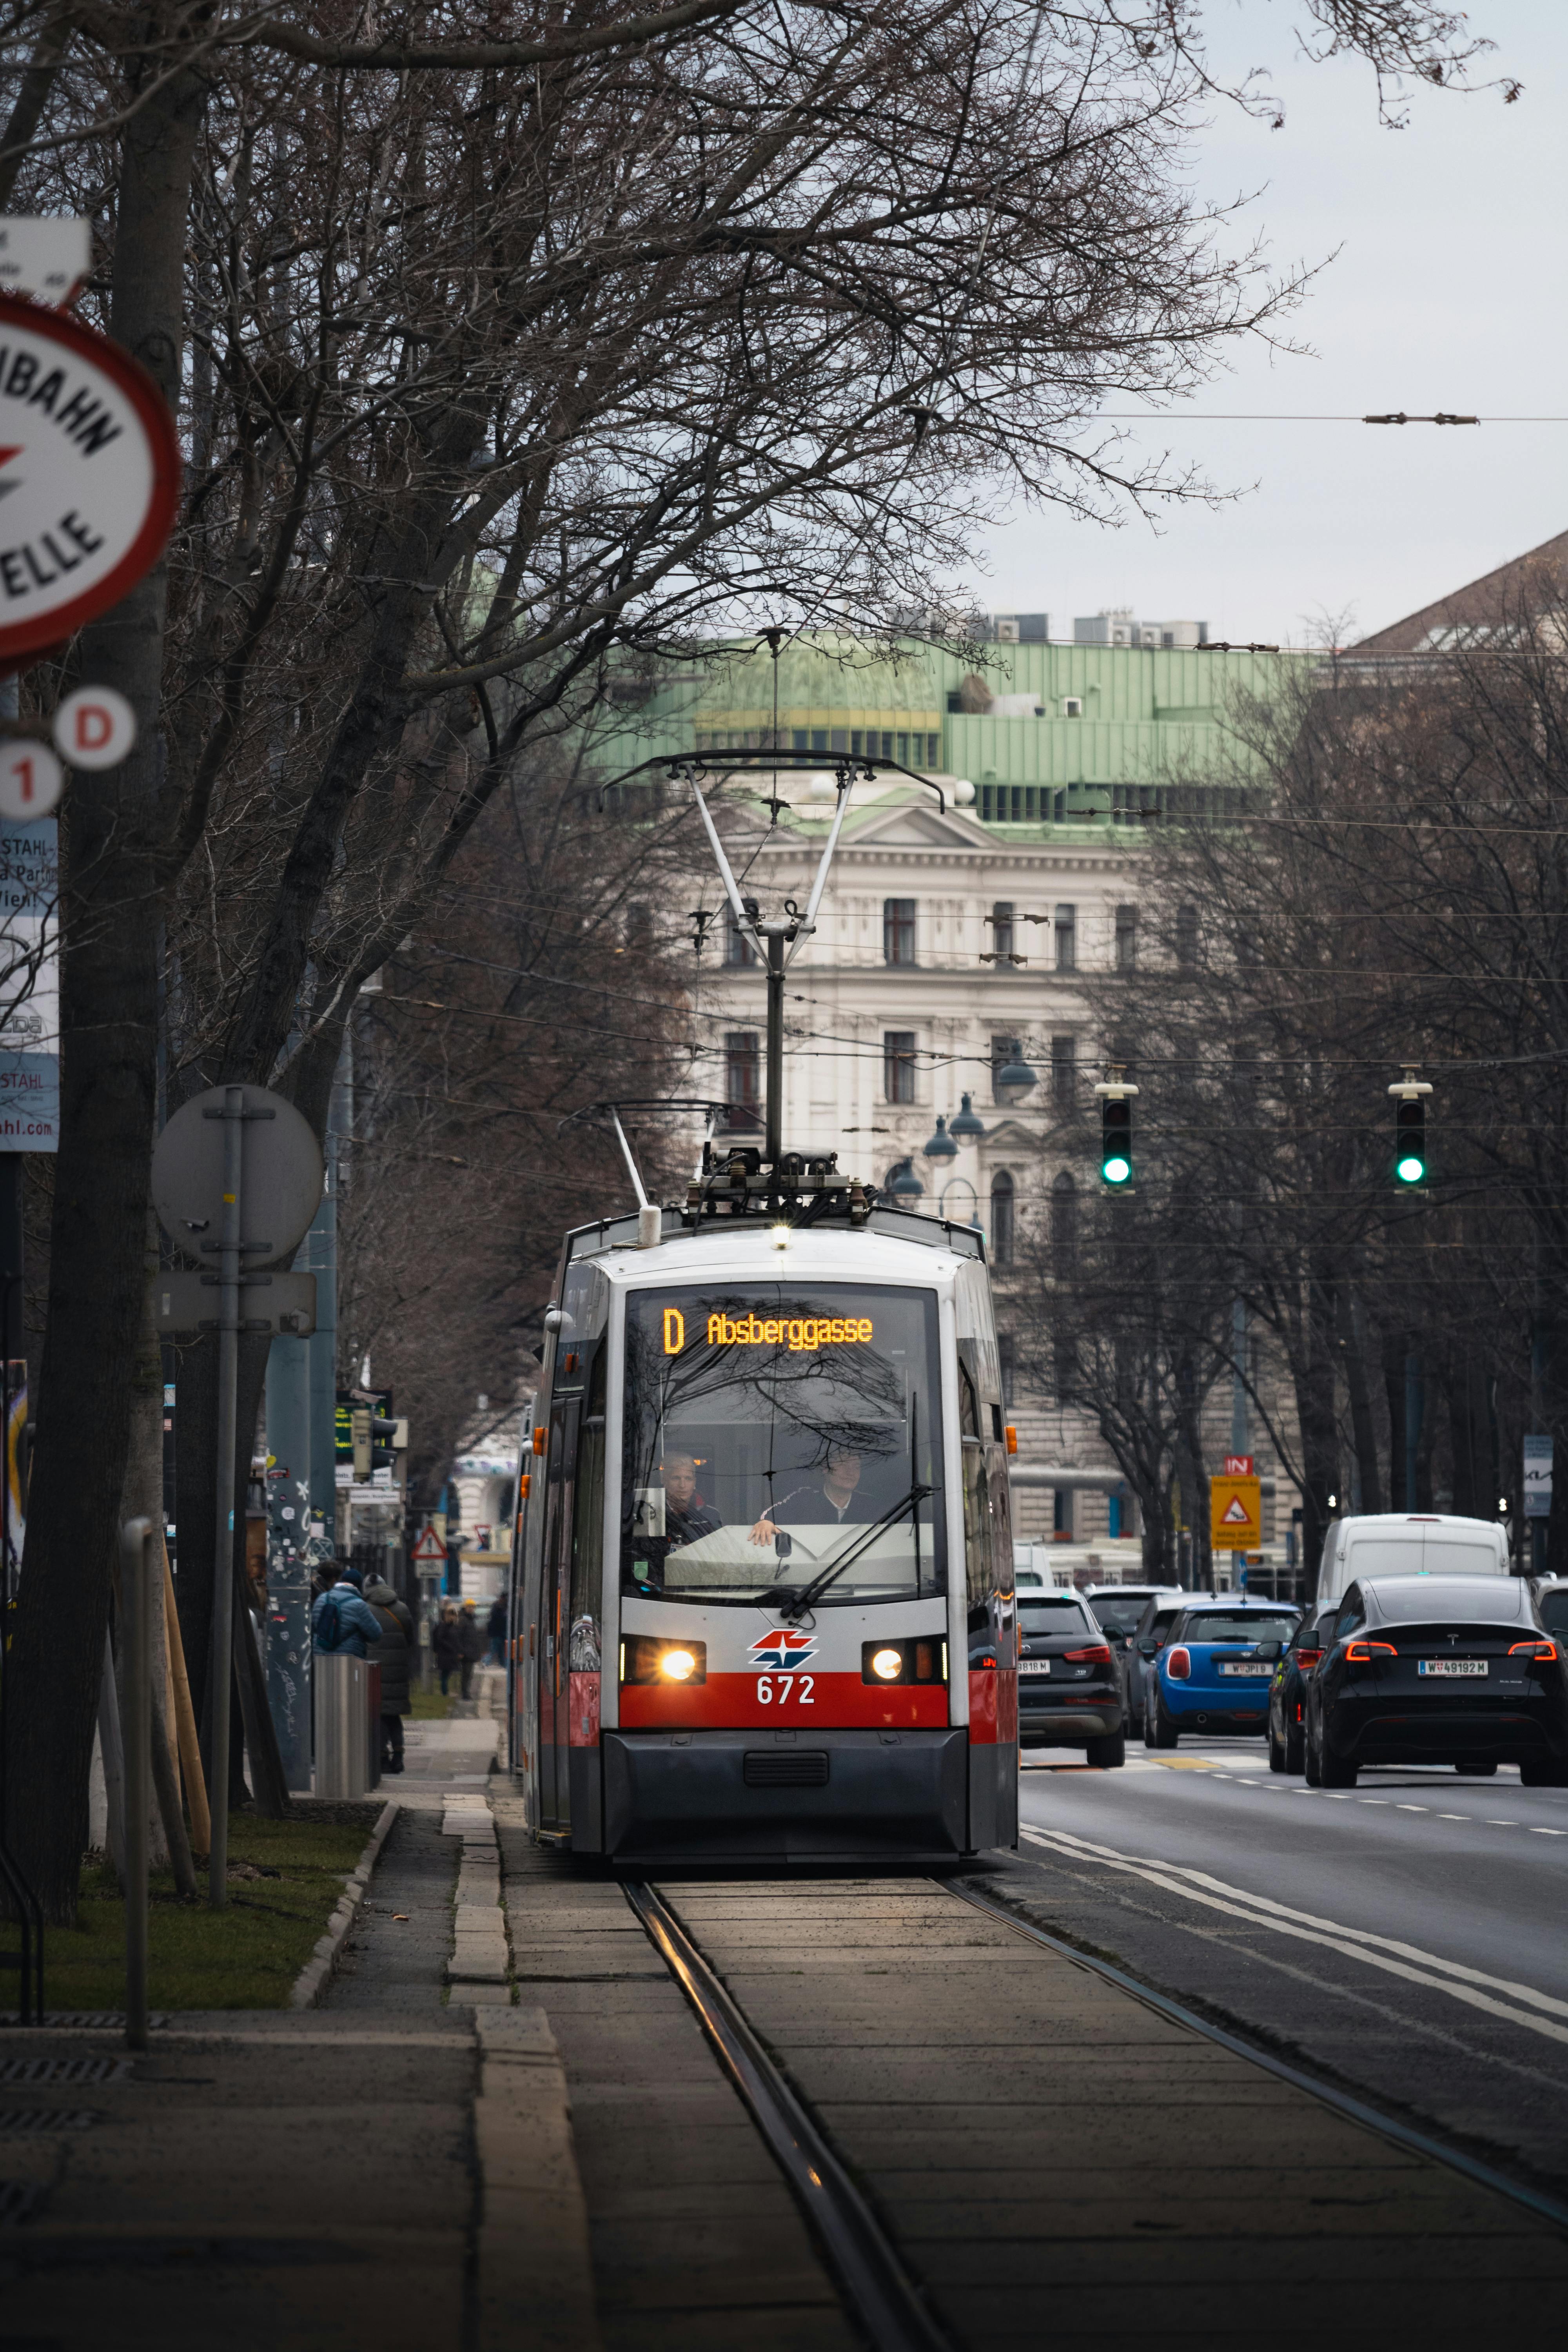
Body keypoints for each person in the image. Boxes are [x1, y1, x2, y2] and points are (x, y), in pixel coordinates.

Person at [750, 1445, 863, 1544]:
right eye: (843, 1464)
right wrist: (765, 1523)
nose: (851, 1472)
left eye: (857, 1467)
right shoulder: (804, 1498)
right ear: (825, 1469)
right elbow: (770, 1518)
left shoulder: (871, 1505)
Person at [363, 1573, 414, 1774]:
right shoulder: (402, 1608)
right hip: (399, 1669)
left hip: (375, 1669)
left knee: (379, 1714)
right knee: (394, 1715)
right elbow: (410, 1638)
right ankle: (399, 1757)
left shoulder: (366, 1610)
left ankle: (383, 1757)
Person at [311, 1561, 385, 1655]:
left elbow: (313, 1629)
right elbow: (376, 1635)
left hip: (321, 1659)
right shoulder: (359, 1605)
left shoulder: (321, 1599)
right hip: (348, 1661)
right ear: (359, 1587)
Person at [663, 1453, 722, 1546]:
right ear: (665, 1481)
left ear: (694, 1482)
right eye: (676, 1478)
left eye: (688, 1479)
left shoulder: (711, 1515)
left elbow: (717, 1550)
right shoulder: (653, 1513)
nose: (682, 1485)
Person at [457, 1598, 487, 1698]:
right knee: (466, 1674)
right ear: (466, 1608)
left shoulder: (471, 1620)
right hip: (466, 1652)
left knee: (469, 1674)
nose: (471, 1609)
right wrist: (461, 1651)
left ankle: (466, 1692)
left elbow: (474, 1637)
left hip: (470, 1652)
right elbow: (459, 1637)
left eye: (473, 1607)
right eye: (469, 1607)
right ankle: (465, 1693)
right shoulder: (463, 1620)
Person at [432, 1599, 462, 1695]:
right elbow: (440, 1639)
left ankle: (445, 1690)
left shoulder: (453, 1627)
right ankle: (444, 1692)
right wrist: (450, 1648)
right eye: (451, 1615)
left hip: (450, 1654)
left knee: (447, 1673)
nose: (452, 1617)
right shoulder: (443, 1626)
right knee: (445, 1674)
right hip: (445, 1654)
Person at [486, 1591, 507, 1666]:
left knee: (501, 1652)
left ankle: (503, 1665)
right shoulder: (498, 1608)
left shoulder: (499, 1607)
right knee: (494, 1651)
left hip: (500, 1634)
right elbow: (498, 1620)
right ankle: (486, 1663)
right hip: (497, 1634)